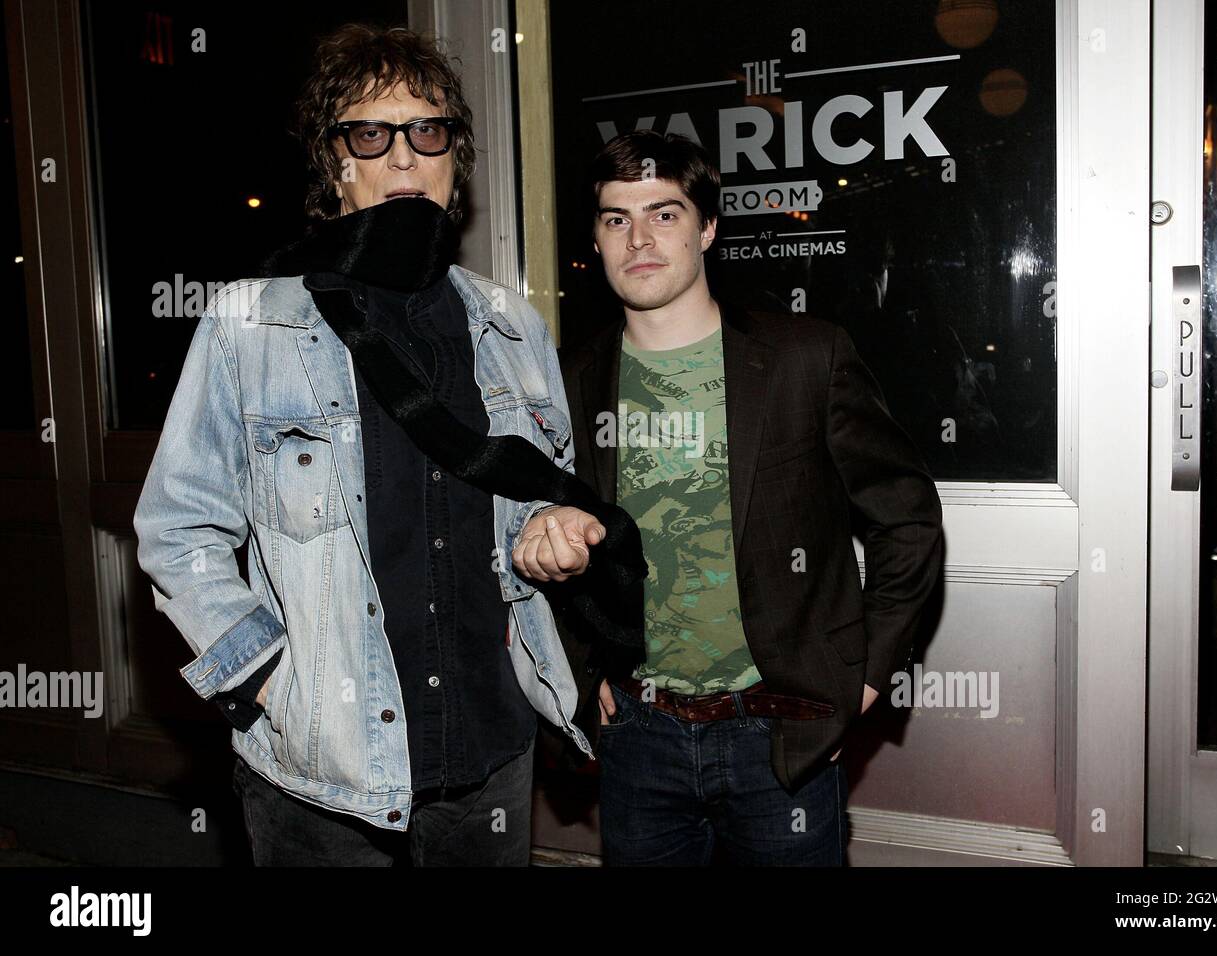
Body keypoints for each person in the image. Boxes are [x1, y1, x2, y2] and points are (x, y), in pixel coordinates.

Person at [133, 23, 603, 866]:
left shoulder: (511, 326)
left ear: (454, 159)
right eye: (369, 134)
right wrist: (266, 678)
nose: (402, 159)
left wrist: (550, 530)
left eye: (428, 132)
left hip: (490, 757)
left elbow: (544, 487)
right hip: (322, 775)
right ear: (332, 163)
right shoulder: (251, 323)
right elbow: (179, 524)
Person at [533, 130, 945, 865]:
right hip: (638, 738)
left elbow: (907, 518)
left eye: (664, 213)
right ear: (595, 240)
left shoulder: (803, 358)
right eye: (616, 219)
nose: (639, 238)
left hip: (781, 734)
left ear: (709, 228)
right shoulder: (571, 381)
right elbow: (551, 536)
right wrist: (576, 662)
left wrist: (870, 675)